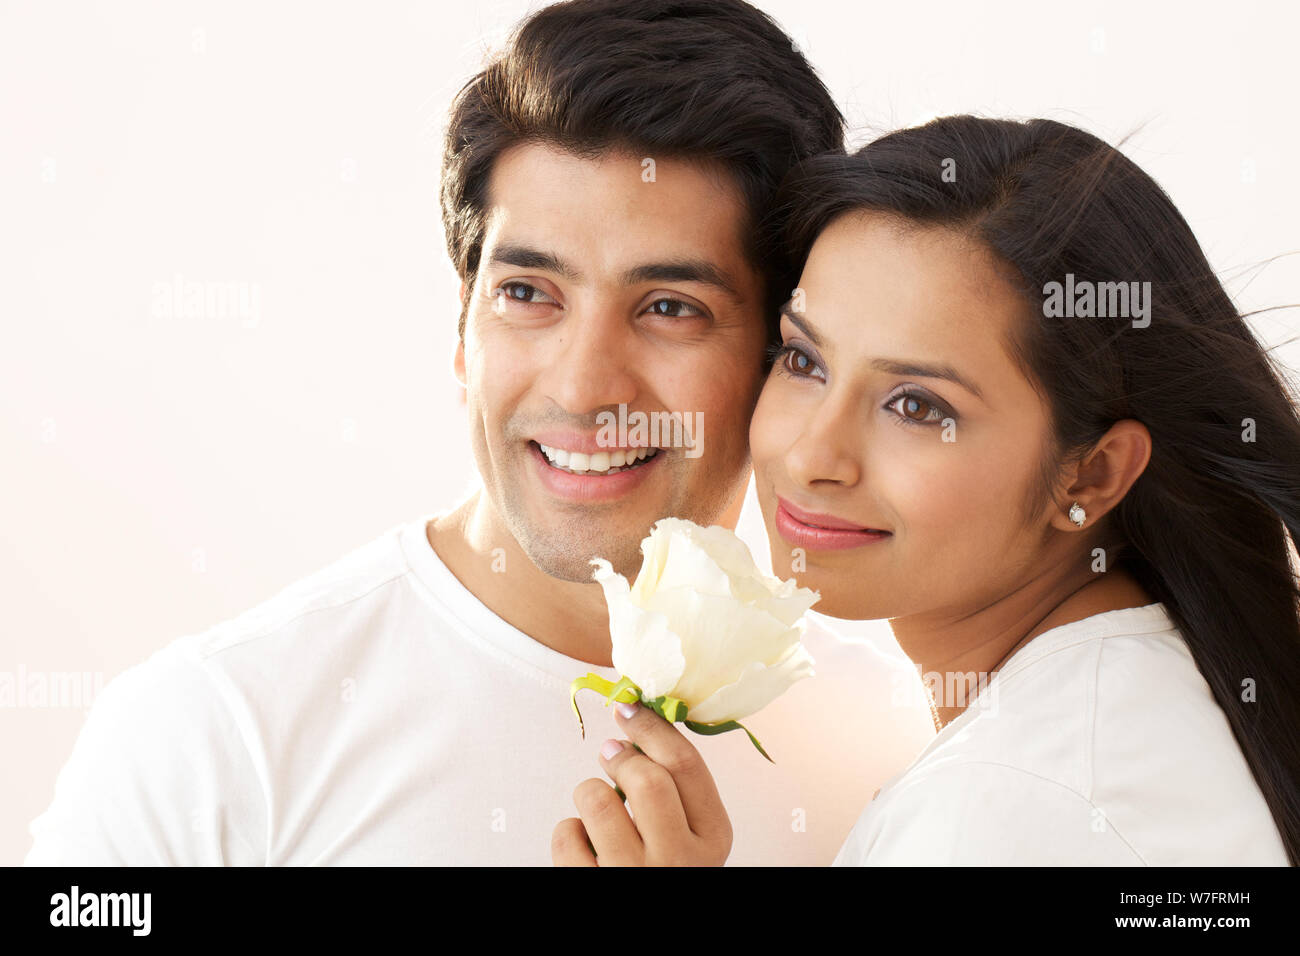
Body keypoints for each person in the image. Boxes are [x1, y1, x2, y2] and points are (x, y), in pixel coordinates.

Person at [23, 0, 937, 866]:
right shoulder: (212, 735)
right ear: (463, 329)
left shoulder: (896, 748)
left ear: (783, 354)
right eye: (528, 294)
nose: (584, 388)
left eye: (668, 307)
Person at [552, 116, 1299, 866]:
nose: (813, 455)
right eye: (803, 359)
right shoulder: (1137, 716)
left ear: (1091, 474)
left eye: (917, 406)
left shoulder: (998, 807)